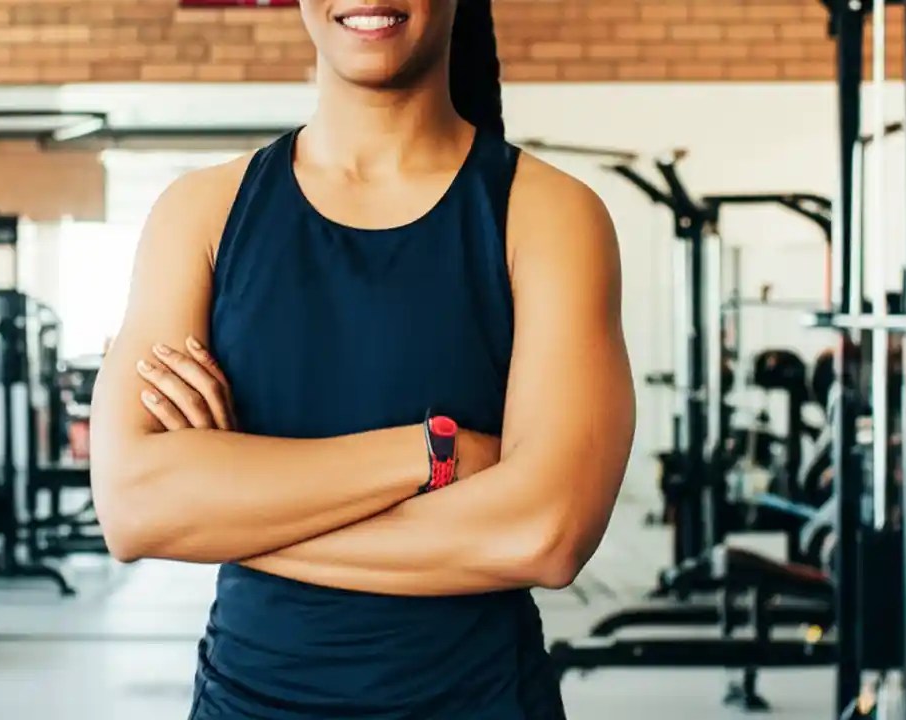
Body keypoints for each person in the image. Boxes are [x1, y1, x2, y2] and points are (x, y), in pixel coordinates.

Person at [89, 0, 636, 717]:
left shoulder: (549, 214)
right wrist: (430, 455)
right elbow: (132, 507)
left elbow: (545, 534)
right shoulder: (201, 213)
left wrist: (228, 512)